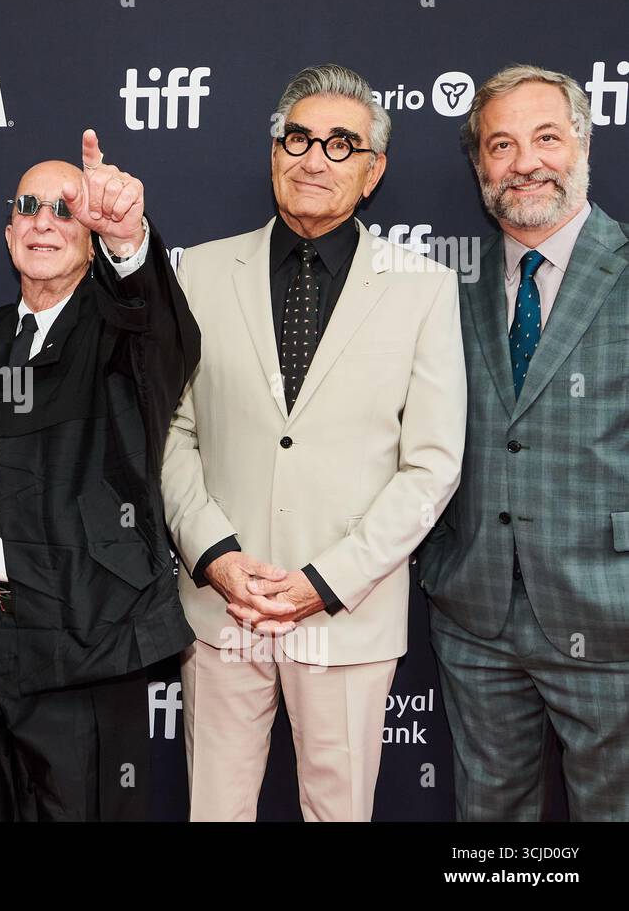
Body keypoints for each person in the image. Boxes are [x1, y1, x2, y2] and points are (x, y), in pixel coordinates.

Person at [162, 64, 467, 821]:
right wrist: (216, 557)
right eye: (298, 138)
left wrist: (324, 581)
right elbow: (172, 430)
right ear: (273, 154)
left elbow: (431, 465)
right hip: (222, 607)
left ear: (374, 171)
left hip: (345, 614)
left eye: (341, 144)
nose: (314, 158)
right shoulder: (196, 273)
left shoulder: (423, 286)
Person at [0, 130, 199, 821]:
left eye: (64, 208)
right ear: (8, 227)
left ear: (91, 234)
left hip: (84, 634)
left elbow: (163, 323)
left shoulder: (124, 337)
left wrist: (130, 236)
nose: (43, 220)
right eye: (28, 206)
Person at [418, 64, 629, 821]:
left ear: (584, 145)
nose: (524, 161)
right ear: (480, 167)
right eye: (500, 146)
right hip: (476, 618)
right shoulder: (452, 293)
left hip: (612, 614)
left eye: (545, 137)